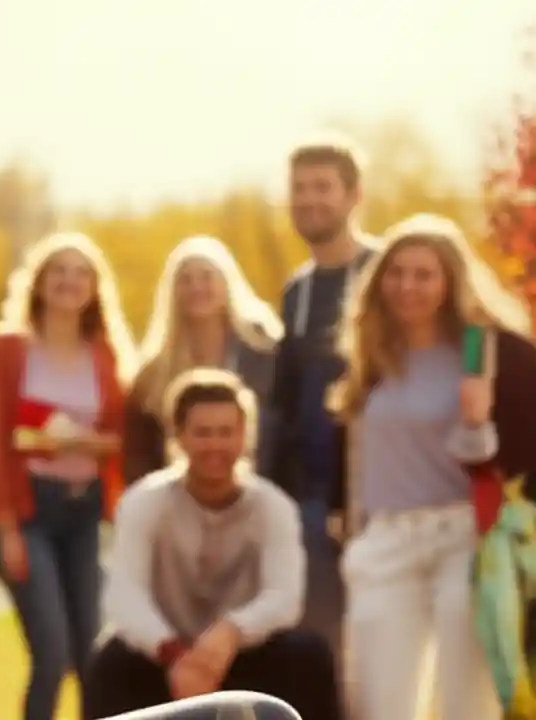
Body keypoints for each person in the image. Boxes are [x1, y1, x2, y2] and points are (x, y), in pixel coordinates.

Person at [328, 213, 536, 720]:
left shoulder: (486, 350)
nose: (408, 286)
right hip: (386, 540)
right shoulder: (372, 353)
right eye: (396, 273)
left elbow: (521, 455)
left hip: (463, 538)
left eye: (424, 274)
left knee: (467, 700)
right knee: (379, 698)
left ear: (450, 280)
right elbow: (351, 446)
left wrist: (476, 422)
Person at [87, 369, 340, 720]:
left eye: (226, 432)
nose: (215, 445)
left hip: (244, 652)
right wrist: (174, 652)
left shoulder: (273, 506)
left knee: (309, 657)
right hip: (165, 655)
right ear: (179, 436)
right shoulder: (143, 502)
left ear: (244, 436)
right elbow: (125, 596)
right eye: (203, 433)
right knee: (108, 663)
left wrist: (230, 634)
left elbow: (284, 598)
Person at [0, 231, 135, 720]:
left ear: (94, 287)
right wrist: (7, 529)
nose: (70, 280)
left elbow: (123, 440)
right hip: (32, 513)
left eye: (81, 272)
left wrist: (79, 443)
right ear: (40, 282)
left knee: (91, 654)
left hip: (85, 512)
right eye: (59, 271)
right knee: (51, 653)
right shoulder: (8, 348)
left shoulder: (105, 353)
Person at [265, 134, 377, 655]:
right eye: (299, 188)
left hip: (378, 502)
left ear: (354, 196)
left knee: (381, 655)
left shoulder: (385, 275)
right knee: (323, 651)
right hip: (310, 509)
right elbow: (285, 404)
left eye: (323, 187)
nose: (309, 199)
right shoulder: (298, 291)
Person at [124, 235, 282, 483]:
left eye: (207, 277)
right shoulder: (153, 373)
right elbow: (138, 454)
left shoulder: (266, 352)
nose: (197, 287)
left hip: (256, 494)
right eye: (185, 280)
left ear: (226, 284)